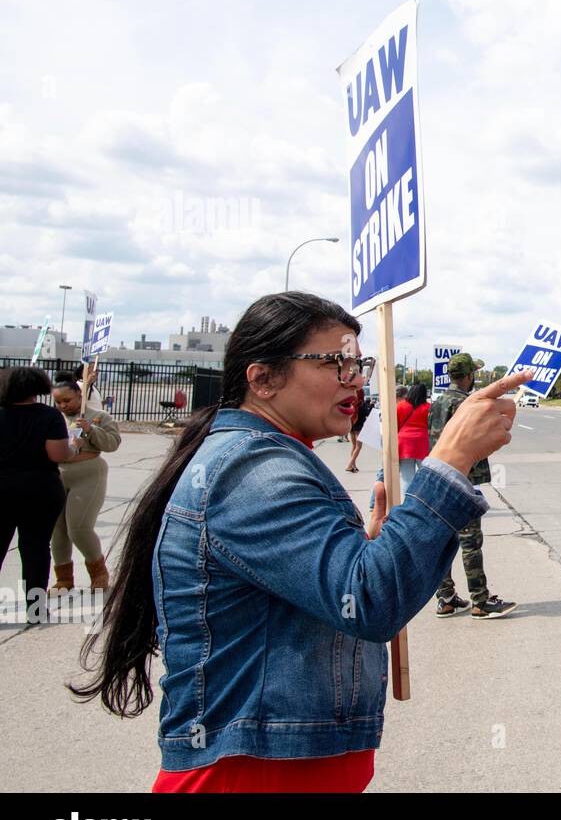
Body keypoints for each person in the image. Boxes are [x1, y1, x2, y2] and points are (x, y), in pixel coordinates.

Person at [69, 291, 528, 792]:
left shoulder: (267, 455)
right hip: (248, 775)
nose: (355, 378)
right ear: (263, 378)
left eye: (358, 363)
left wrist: (367, 549)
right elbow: (371, 601)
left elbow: (335, 588)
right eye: (334, 362)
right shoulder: (253, 469)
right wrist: (450, 460)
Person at [429, 353, 516, 619]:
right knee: (470, 543)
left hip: (437, 477)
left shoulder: (437, 402)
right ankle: (480, 601)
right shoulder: (468, 404)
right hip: (463, 479)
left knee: (443, 541)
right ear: (469, 376)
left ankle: (445, 598)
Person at [0, 366, 80, 623]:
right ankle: (35, 610)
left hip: (2, 488)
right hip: (40, 488)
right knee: (35, 548)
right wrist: (74, 448)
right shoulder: (49, 416)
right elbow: (57, 455)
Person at [50, 379, 122, 593]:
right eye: (58, 402)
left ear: (80, 396)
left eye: (67, 400)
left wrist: (91, 430)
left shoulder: (99, 416)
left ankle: (98, 573)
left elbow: (112, 443)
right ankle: (63, 579)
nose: (63, 405)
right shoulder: (53, 419)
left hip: (88, 473)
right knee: (57, 530)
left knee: (79, 528)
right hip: (57, 475)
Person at [395, 383, 430, 492]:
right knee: (425, 476)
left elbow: (395, 425)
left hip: (404, 443)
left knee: (407, 478)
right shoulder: (428, 407)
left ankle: (407, 503)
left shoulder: (400, 405)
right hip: (423, 443)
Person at [344, 393, 373, 472]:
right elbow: (368, 413)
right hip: (359, 428)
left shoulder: (352, 404)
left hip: (352, 427)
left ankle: (353, 465)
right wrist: (371, 405)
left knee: (354, 446)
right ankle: (349, 465)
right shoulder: (361, 405)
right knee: (358, 447)